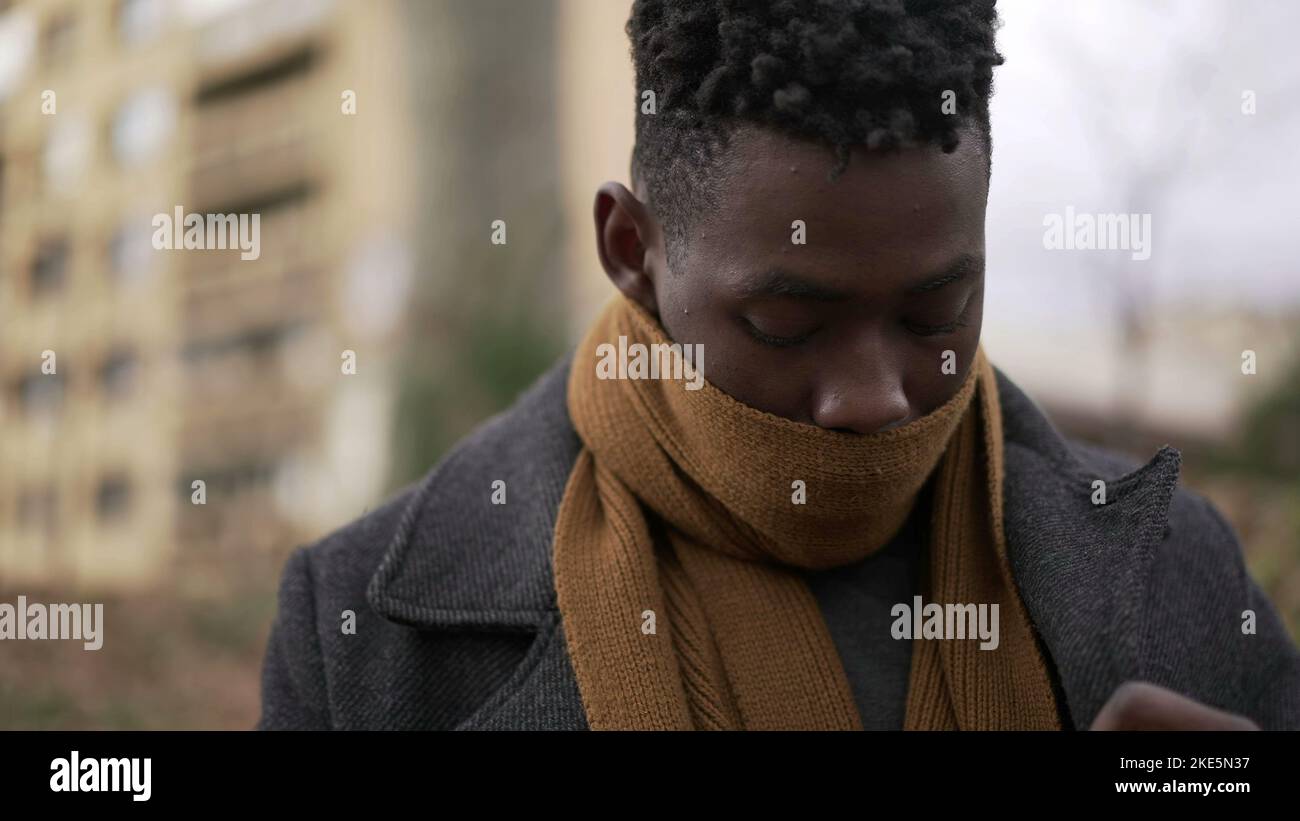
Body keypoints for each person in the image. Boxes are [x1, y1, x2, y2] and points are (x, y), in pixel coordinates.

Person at [256, 0, 1299, 730]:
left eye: (937, 309)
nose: (874, 398)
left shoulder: (1179, 568)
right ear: (633, 250)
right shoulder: (363, 631)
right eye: (788, 322)